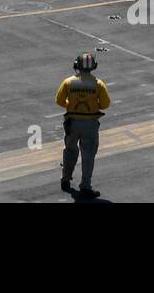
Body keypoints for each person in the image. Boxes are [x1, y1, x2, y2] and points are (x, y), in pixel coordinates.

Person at [55, 52, 111, 198]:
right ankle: (85, 186)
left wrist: (71, 105)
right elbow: (105, 104)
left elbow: (59, 100)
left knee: (70, 151)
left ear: (76, 66)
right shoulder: (98, 84)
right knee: (88, 155)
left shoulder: (68, 82)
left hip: (72, 123)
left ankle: (65, 179)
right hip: (90, 124)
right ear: (94, 66)